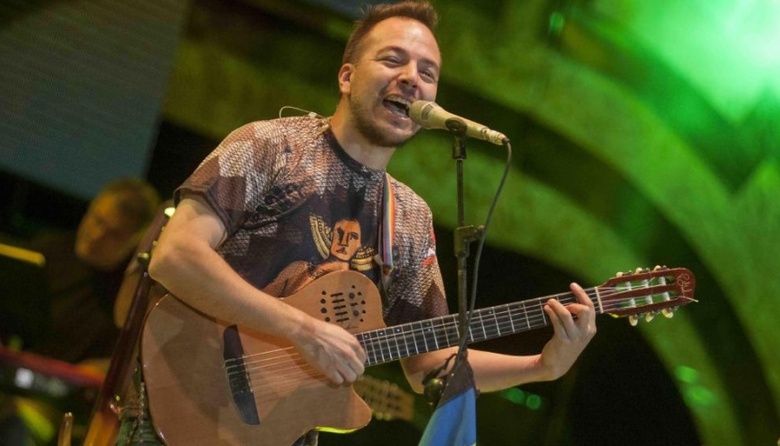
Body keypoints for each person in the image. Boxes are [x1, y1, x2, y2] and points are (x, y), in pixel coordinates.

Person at [133, 2, 596, 445]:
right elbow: (174, 256)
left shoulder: (409, 217)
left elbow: (429, 365)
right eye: (393, 59)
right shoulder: (271, 146)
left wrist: (541, 366)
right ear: (347, 76)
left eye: (427, 72)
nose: (412, 79)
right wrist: (302, 330)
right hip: (182, 407)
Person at [0, 177, 160, 446]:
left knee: (15, 428)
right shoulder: (46, 251)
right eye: (97, 220)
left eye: (113, 234)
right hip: (11, 381)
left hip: (59, 406)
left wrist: (110, 369)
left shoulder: (131, 297)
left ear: (135, 240)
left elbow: (135, 364)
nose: (96, 235)